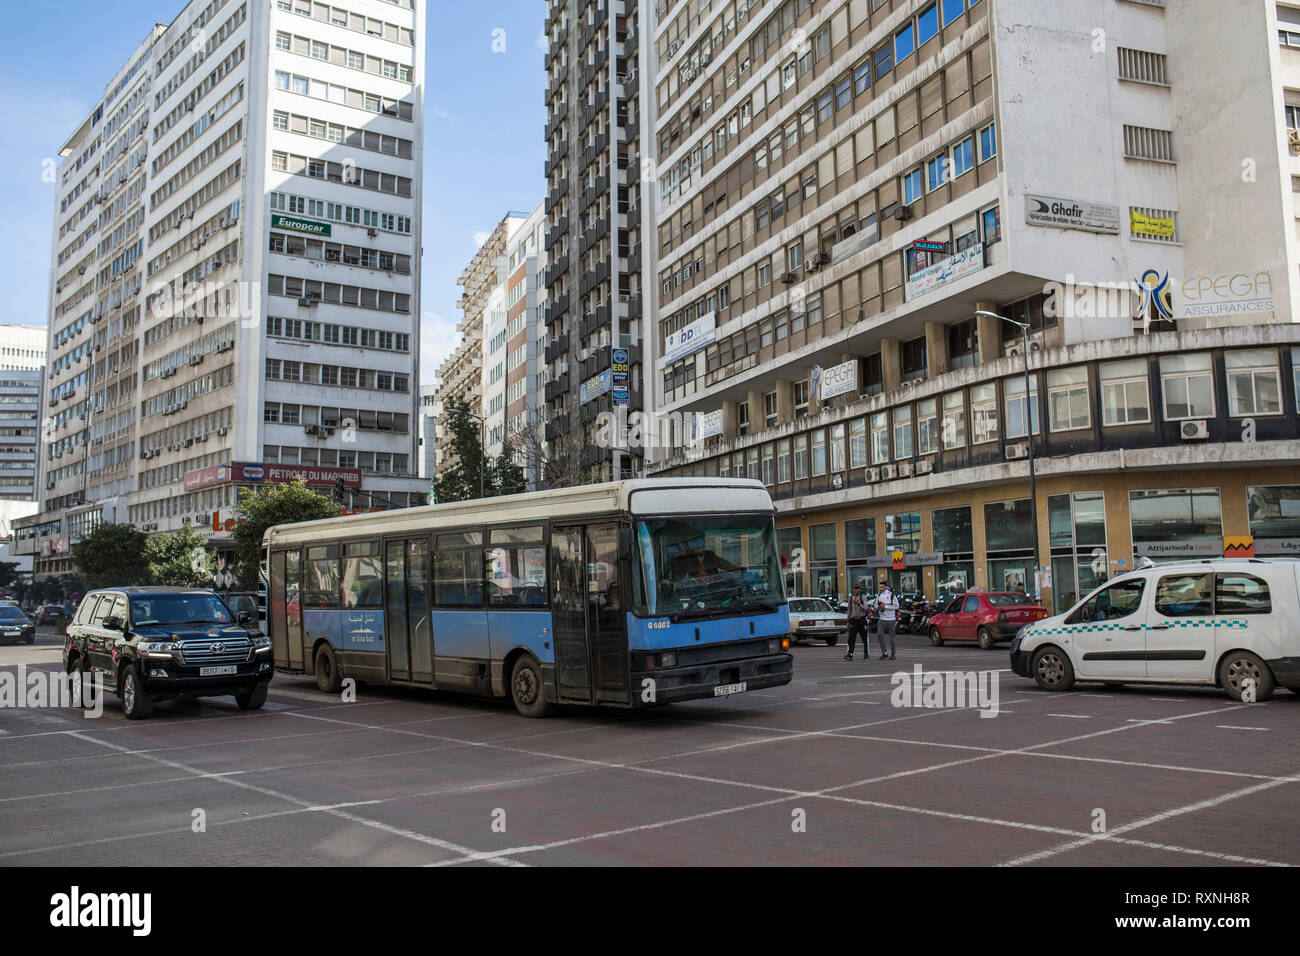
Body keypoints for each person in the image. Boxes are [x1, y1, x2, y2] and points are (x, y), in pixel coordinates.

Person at [844, 582, 871, 661]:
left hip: (861, 619)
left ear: (859, 589)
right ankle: (850, 654)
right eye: (854, 588)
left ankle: (866, 653)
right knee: (851, 638)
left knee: (864, 637)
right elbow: (849, 610)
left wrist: (859, 604)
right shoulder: (850, 598)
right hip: (853, 620)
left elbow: (866, 608)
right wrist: (848, 621)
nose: (856, 590)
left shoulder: (863, 597)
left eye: (857, 589)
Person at [875, 578, 899, 660]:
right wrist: (878, 607)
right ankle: (884, 652)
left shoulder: (891, 595)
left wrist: (886, 606)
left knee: (892, 637)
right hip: (881, 619)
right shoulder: (879, 595)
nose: (880, 589)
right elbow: (875, 605)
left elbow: (897, 606)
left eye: (882, 587)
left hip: (891, 619)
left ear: (885, 587)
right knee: (879, 634)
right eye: (879, 587)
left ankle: (893, 653)